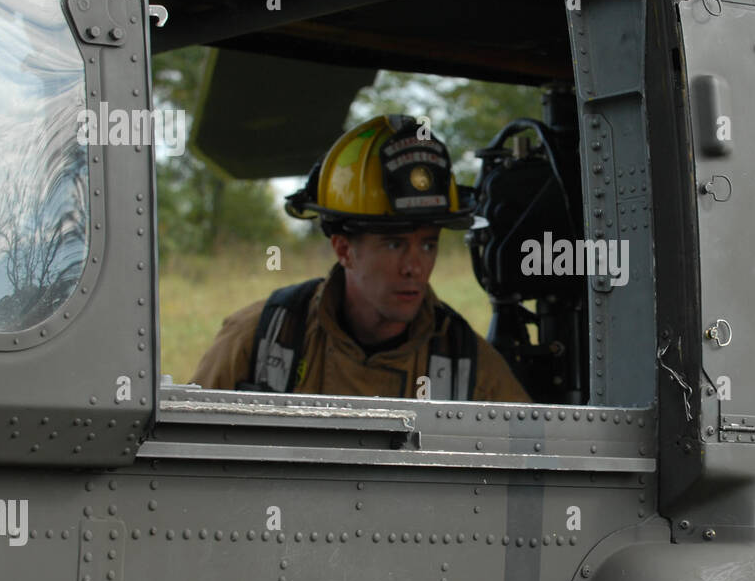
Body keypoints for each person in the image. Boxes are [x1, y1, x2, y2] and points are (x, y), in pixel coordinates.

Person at [191, 114, 530, 403]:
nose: (415, 267)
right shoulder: (260, 340)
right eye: (394, 245)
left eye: (428, 245)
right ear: (343, 249)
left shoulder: (470, 366)